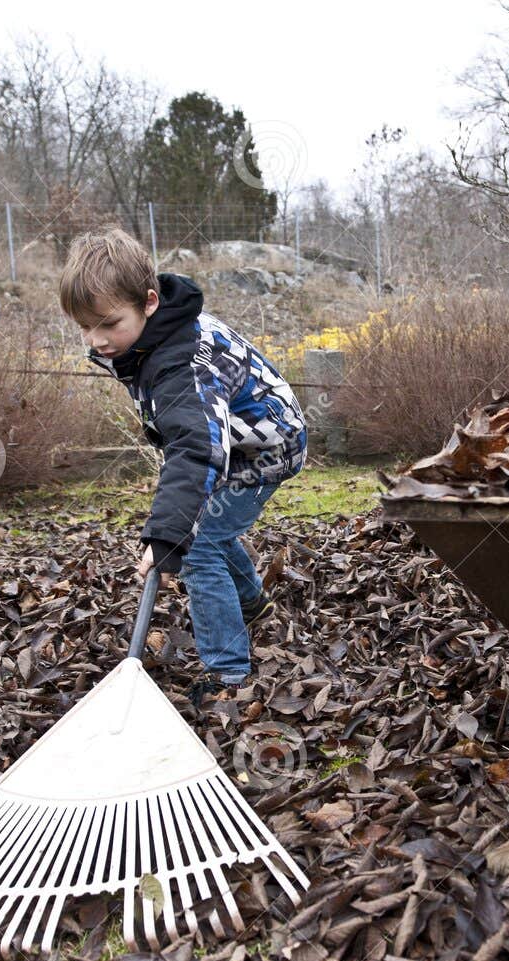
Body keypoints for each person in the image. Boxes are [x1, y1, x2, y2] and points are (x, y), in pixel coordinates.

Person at [59, 226, 307, 709]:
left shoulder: (185, 361)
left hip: (265, 450)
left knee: (197, 547)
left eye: (109, 324)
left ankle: (228, 674)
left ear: (149, 302)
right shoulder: (153, 335)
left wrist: (169, 535)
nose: (96, 340)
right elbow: (191, 439)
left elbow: (196, 449)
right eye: (85, 327)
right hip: (232, 444)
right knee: (209, 531)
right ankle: (251, 601)